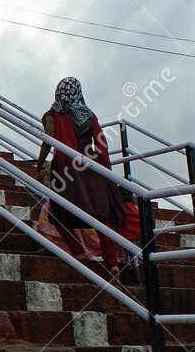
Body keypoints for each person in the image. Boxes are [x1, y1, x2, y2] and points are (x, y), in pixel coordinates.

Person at [35, 77, 134, 276]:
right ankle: (112, 262)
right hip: (92, 168)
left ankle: (78, 252)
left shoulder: (53, 114)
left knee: (57, 212)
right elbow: (101, 143)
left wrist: (39, 163)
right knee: (100, 216)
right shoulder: (88, 115)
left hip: (66, 168)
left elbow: (48, 140)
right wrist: (105, 170)